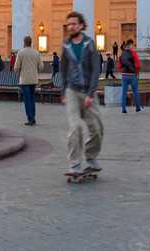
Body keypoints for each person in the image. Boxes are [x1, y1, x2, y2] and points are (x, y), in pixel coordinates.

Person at [60, 11, 103, 177]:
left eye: (74, 24)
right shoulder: (66, 46)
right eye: (69, 24)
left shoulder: (89, 44)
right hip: (72, 91)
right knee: (76, 126)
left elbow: (95, 70)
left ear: (81, 25)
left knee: (97, 128)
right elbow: (63, 71)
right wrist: (64, 93)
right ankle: (75, 164)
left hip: (88, 92)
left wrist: (91, 94)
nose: (70, 27)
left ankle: (90, 156)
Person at [14, 36, 43, 125]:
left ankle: (29, 119)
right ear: (31, 43)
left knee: (26, 99)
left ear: (24, 43)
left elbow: (16, 67)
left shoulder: (20, 53)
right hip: (33, 79)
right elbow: (41, 66)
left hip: (24, 79)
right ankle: (33, 116)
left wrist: (20, 74)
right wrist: (36, 73)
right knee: (32, 97)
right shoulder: (36, 53)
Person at [119, 39, 142, 113]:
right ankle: (137, 107)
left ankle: (123, 109)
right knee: (135, 91)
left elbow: (119, 66)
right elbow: (137, 65)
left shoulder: (121, 55)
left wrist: (122, 72)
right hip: (132, 75)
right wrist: (136, 73)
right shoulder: (134, 53)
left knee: (124, 92)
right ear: (131, 44)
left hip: (124, 75)